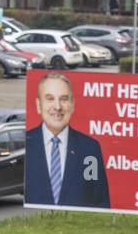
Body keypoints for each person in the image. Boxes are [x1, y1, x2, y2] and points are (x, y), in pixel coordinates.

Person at [24, 72, 110, 209]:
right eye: (50, 99)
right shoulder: (24, 145)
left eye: (63, 99)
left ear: (72, 104)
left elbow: (98, 199)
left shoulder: (89, 149)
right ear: (38, 105)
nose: (57, 107)